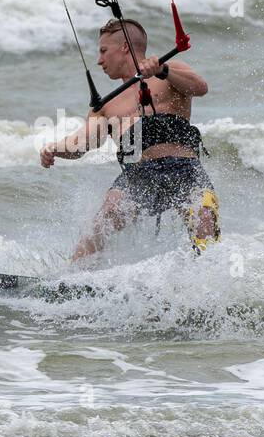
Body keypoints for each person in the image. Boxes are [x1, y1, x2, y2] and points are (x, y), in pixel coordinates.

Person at [40, 17, 220, 261]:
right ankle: (71, 278)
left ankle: (211, 276)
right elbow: (83, 143)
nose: (99, 60)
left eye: (104, 51)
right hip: (140, 175)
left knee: (205, 219)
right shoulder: (105, 105)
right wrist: (55, 148)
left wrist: (162, 70)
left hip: (185, 168)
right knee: (103, 220)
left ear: (124, 47)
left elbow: (200, 88)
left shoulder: (170, 70)